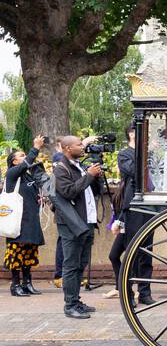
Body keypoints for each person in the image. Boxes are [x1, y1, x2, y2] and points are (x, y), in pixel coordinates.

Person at [51, 135, 106, 319]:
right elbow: (68, 192)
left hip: (87, 222)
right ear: (67, 148)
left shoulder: (79, 166)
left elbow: (94, 191)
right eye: (78, 145)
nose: (82, 147)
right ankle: (70, 305)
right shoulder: (61, 169)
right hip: (71, 224)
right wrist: (89, 175)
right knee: (71, 264)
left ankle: (76, 300)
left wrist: (96, 176)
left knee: (81, 264)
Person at [112, 127, 154, 305]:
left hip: (149, 206)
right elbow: (135, 172)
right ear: (131, 134)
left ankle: (145, 292)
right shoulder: (125, 154)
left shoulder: (148, 153)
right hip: (133, 208)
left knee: (146, 251)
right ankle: (127, 292)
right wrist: (144, 152)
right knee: (132, 250)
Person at [4, 136, 47, 297]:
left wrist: (40, 198)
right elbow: (27, 163)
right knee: (16, 253)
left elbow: (43, 188)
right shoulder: (12, 174)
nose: (24, 158)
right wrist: (35, 147)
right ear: (14, 162)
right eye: (20, 156)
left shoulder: (27, 176)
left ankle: (27, 283)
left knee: (29, 253)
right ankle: (15, 285)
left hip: (31, 220)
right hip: (18, 222)